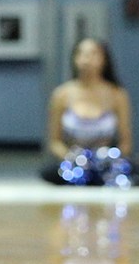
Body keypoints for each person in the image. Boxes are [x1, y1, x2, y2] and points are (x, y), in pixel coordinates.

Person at [41, 38, 134, 180]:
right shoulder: (61, 95)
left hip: (106, 162)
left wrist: (110, 158)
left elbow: (126, 142)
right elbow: (55, 142)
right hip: (74, 164)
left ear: (104, 60)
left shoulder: (117, 94)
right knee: (50, 173)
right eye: (81, 54)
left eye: (93, 54)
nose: (87, 60)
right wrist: (71, 158)